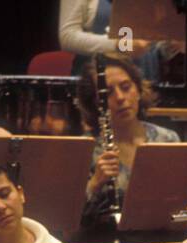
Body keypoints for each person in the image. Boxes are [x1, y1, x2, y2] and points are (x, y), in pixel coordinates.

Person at [76, 53, 180, 217]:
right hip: (103, 237)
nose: (120, 98)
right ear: (95, 103)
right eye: (108, 93)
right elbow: (67, 216)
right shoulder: (83, 149)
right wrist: (95, 183)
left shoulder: (168, 139)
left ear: (138, 90)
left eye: (126, 87)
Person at [58, 0, 178, 82]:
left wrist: (170, 46)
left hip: (146, 82)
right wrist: (120, 44)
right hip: (99, 84)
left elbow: (150, 42)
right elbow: (67, 36)